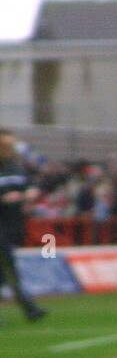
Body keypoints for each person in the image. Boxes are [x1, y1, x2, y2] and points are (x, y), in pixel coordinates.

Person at [0, 129, 47, 323]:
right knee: (7, 267)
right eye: (5, 146)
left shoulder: (16, 168)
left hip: (14, 225)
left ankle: (29, 308)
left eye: (10, 145)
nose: (9, 149)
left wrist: (31, 193)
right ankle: (29, 308)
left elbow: (30, 186)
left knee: (8, 270)